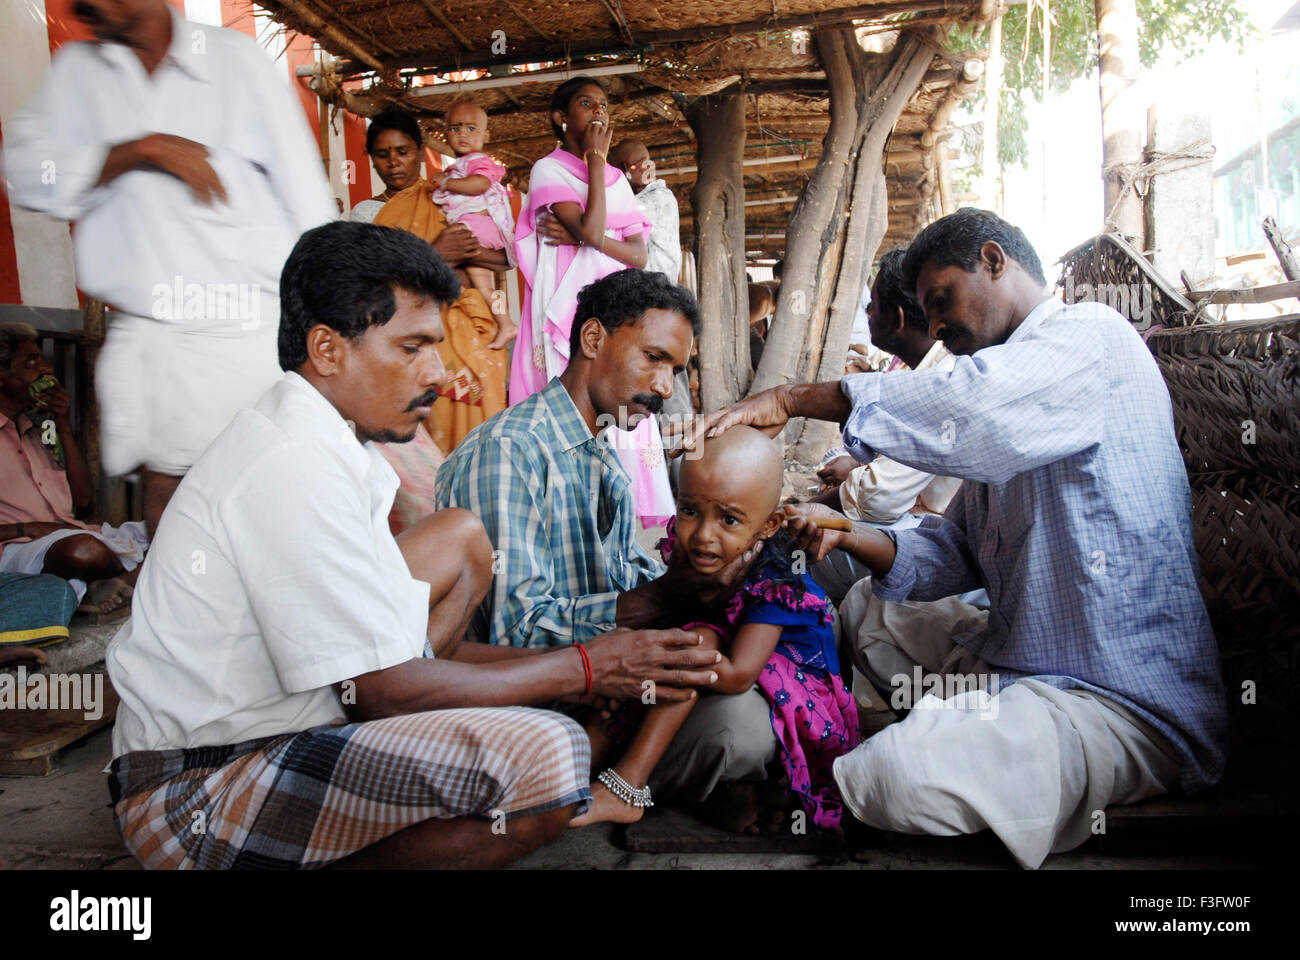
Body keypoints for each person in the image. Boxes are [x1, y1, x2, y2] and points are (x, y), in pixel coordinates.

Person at [104, 221, 722, 870]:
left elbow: (408, 652)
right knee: (550, 757)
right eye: (413, 348)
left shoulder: (327, 446)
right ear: (328, 349)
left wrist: (587, 666)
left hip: (283, 735)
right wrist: (587, 667)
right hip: (194, 791)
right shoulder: (294, 462)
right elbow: (381, 690)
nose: (440, 371)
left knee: (542, 702)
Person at [680, 208, 1227, 868]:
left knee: (892, 774)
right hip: (1018, 662)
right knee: (866, 612)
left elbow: (969, 407)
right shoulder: (1014, 390)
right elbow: (957, 551)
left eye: (942, 301)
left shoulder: (1091, 338)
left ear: (994, 261)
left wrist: (794, 400)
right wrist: (848, 534)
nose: (937, 328)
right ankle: (960, 734)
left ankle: (856, 785)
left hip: (1117, 702)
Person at [437, 269, 783, 824]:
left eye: (676, 370)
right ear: (594, 340)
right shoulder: (510, 453)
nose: (666, 388)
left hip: (605, 687)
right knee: (739, 729)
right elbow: (516, 633)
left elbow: (632, 577)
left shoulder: (603, 454)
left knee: (765, 653)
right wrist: (663, 598)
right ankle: (616, 788)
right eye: (654, 358)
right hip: (542, 705)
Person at [4, 0, 336, 534]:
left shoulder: (235, 63)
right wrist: (140, 149)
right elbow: (26, 172)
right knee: (173, 501)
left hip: (248, 326)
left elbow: (307, 201)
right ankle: (186, 610)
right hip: (153, 332)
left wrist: (330, 313)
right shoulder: (79, 72)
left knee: (275, 493)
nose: (84, 6)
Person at [571, 426, 858, 830]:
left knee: (689, 647)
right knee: (661, 657)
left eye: (728, 519)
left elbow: (739, 674)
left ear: (770, 523)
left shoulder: (776, 580)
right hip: (720, 665)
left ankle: (627, 785)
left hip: (789, 688)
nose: (704, 536)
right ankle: (567, 780)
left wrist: (649, 665)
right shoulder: (695, 549)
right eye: (690, 510)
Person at [511, 78, 673, 527]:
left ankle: (619, 512)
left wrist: (588, 238)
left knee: (621, 396)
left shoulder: (619, 180)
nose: (598, 111)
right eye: (586, 103)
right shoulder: (548, 170)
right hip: (568, 309)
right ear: (561, 118)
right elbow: (592, 227)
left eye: (604, 104)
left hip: (616, 308)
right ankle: (571, 510)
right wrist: (596, 167)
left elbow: (638, 255)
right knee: (576, 397)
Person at [351, 110, 510, 456]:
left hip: (469, 330)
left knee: (478, 442)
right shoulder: (366, 215)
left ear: (421, 151)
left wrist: (454, 253)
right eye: (382, 154)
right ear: (372, 159)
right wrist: (436, 255)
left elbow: (502, 258)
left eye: (403, 151)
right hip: (403, 339)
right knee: (422, 446)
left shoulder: (447, 196)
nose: (394, 162)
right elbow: (370, 284)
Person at [0, 323, 146, 613]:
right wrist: (25, 527)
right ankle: (115, 580)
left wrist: (63, 425)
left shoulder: (42, 430)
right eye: (31, 361)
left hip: (72, 532)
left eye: (41, 358)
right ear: (1, 376)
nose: (44, 368)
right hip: (18, 548)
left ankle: (104, 584)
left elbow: (83, 500)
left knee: (168, 532)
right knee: (84, 551)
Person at [611, 138, 690, 420]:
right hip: (651, 301)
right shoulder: (647, 198)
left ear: (623, 171)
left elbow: (611, 222)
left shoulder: (653, 199)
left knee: (667, 377)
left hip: (660, 302)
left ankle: (684, 454)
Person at [432, 98, 518, 350]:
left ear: (485, 134)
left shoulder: (479, 162)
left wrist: (446, 184)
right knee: (485, 288)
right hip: (478, 230)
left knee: (451, 240)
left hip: (478, 226)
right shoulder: (457, 166)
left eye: (471, 129)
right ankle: (505, 322)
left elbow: (479, 184)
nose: (462, 134)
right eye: (455, 128)